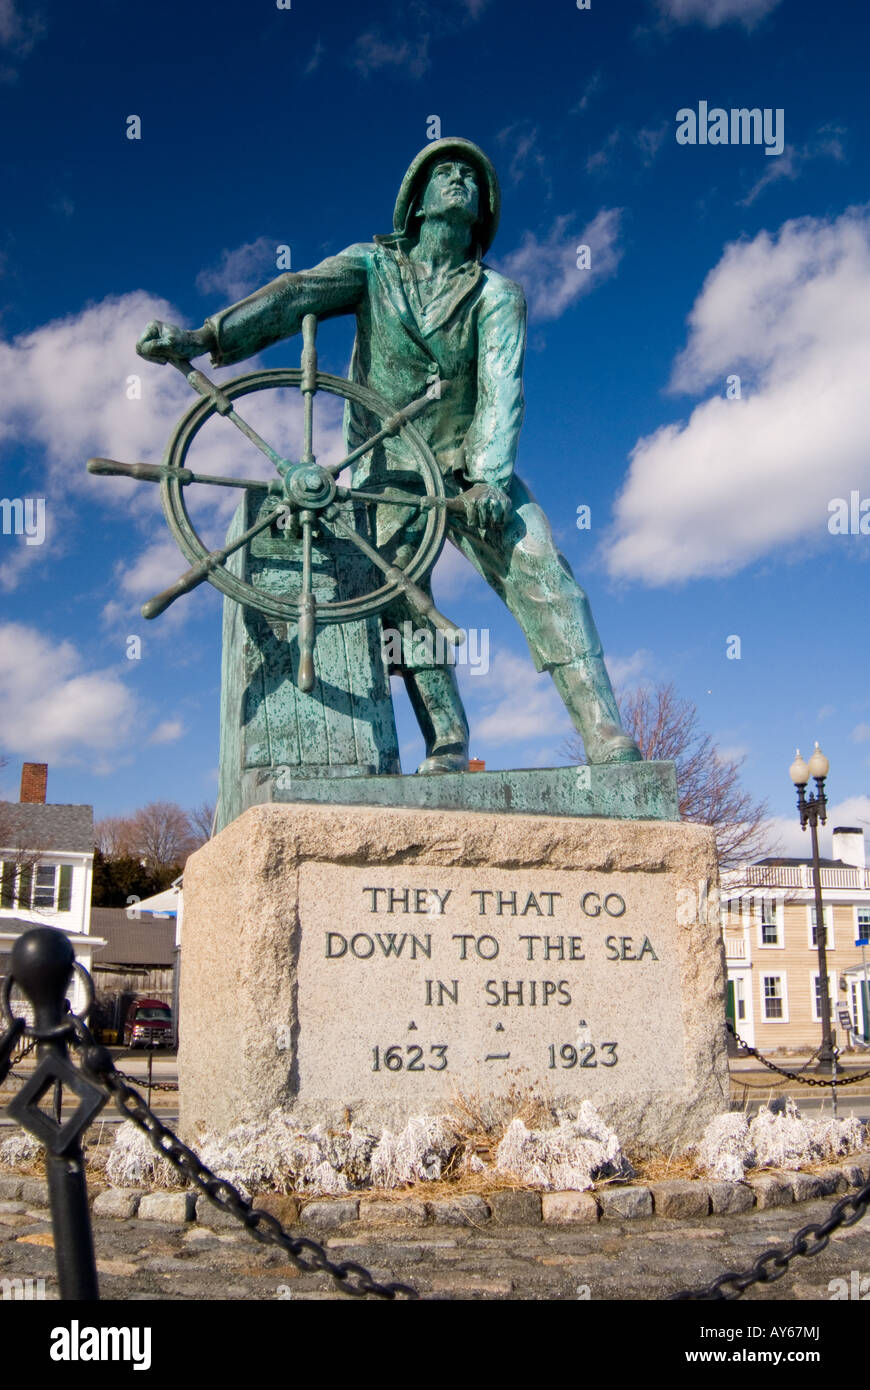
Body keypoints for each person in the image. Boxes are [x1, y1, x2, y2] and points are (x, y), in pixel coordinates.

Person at [137, 137, 641, 769]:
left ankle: (604, 733)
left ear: (482, 209)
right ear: (417, 204)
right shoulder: (373, 267)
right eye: (444, 172)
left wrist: (487, 477)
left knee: (544, 574)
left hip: (468, 470)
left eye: (470, 176)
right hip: (388, 475)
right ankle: (448, 742)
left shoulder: (497, 296)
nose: (459, 180)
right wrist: (205, 335)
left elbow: (502, 386)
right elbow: (294, 293)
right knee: (404, 603)